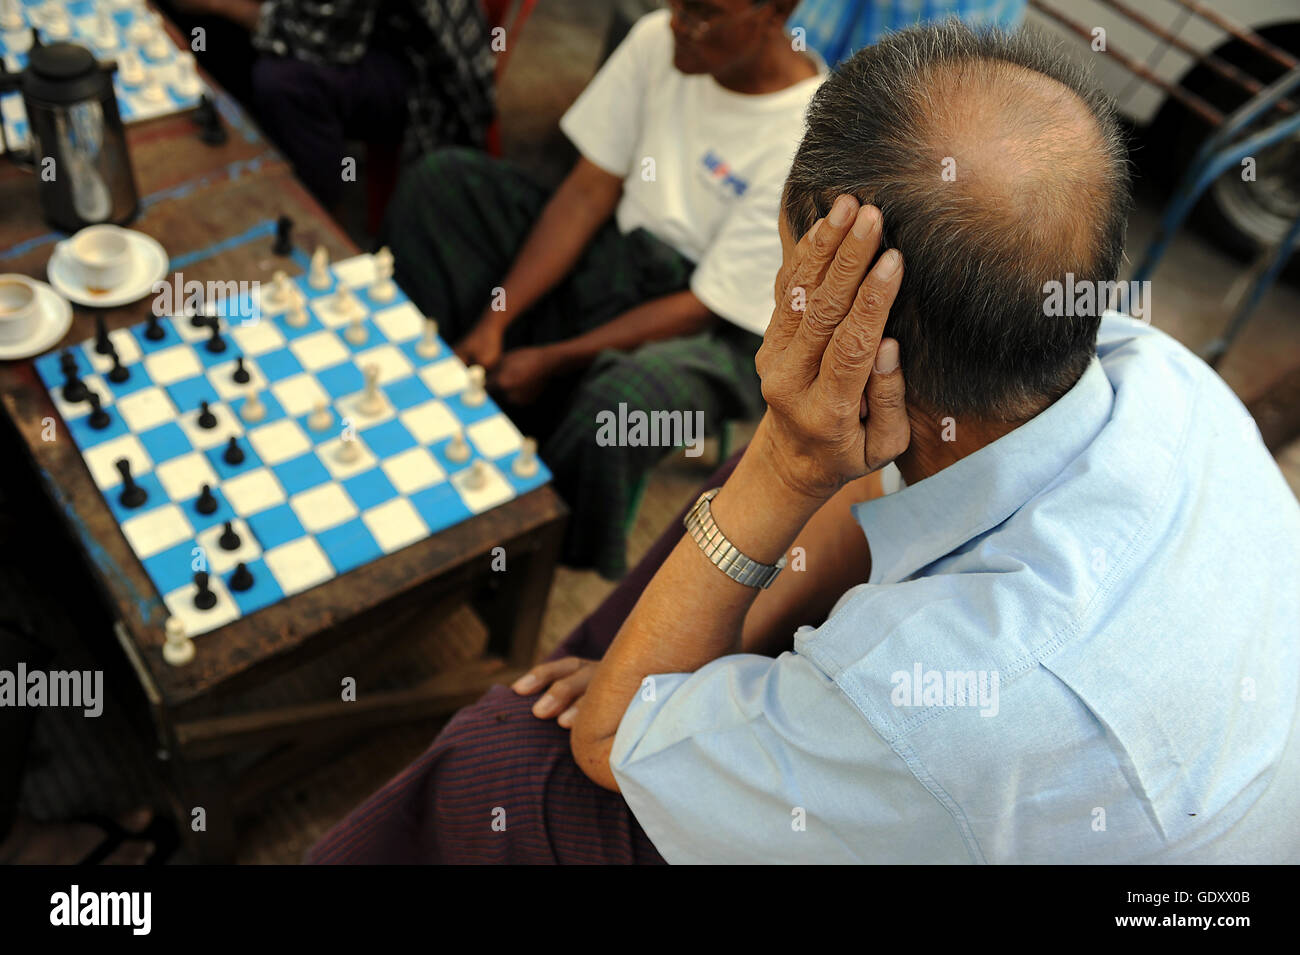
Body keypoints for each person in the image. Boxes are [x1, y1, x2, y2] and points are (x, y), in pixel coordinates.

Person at [309, 21, 1300, 864]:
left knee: (506, 756)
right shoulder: (1159, 372)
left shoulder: (929, 715)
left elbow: (604, 744)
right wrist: (690, 678)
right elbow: (876, 479)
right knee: (747, 515)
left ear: (851, 330)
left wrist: (651, 697)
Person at [385, 2, 826, 578]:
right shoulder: (659, 38)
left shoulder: (811, 140)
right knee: (441, 186)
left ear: (776, 13)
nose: (678, 24)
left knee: (620, 410)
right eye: (676, 3)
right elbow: (587, 192)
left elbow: (703, 305)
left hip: (714, 324)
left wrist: (553, 357)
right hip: (616, 252)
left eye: (703, 14)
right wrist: (497, 318)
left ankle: (523, 550)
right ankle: (440, 389)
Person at [168, 0, 495, 208]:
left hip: (427, 75)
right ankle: (228, 155)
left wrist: (219, 4)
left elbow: (324, 41)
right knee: (205, 29)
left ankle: (313, 219)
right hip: (356, 25)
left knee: (284, 82)